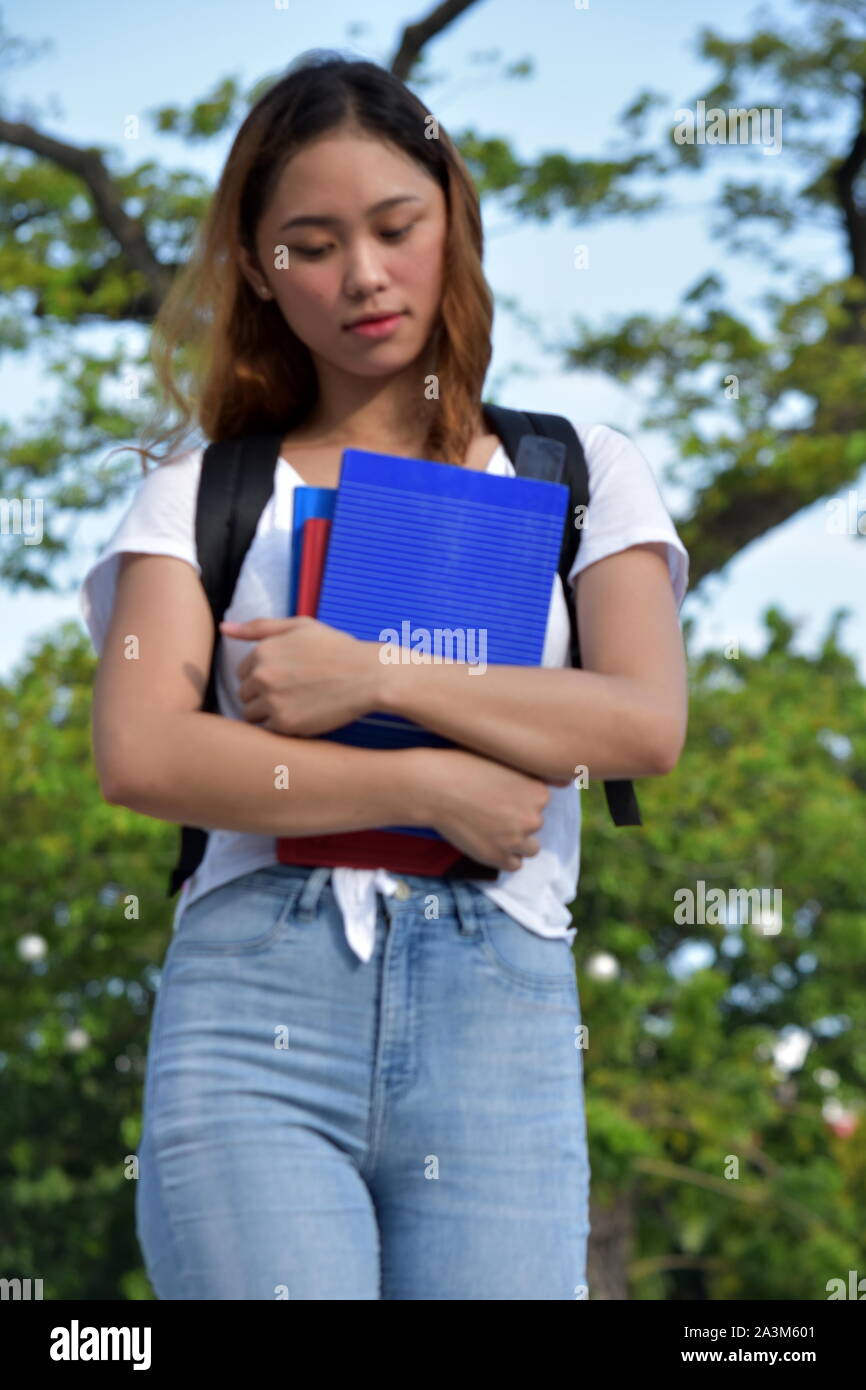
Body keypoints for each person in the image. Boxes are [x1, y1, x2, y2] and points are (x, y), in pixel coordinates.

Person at [80, 51, 689, 1300]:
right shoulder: (200, 496)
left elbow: (637, 722)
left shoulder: (578, 472)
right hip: (252, 1001)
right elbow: (142, 753)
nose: (362, 274)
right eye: (309, 243)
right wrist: (429, 782)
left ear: (449, 215)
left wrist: (373, 676)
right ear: (256, 266)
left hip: (501, 1010)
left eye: (394, 226)